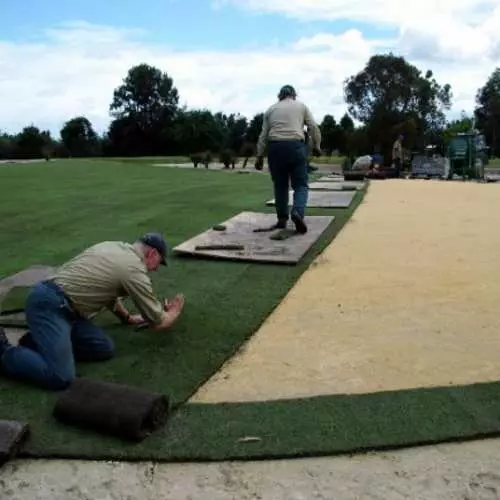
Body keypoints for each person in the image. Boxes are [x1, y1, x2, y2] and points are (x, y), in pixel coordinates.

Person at [0, 232, 185, 391]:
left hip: (67, 309)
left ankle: (35, 341)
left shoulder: (112, 246)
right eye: (157, 264)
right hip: (49, 306)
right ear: (152, 253)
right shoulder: (133, 269)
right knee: (60, 377)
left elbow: (108, 292)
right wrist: (174, 312)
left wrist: (126, 317)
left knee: (103, 348)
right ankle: (4, 351)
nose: (154, 270)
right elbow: (159, 322)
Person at [255, 85, 322, 234]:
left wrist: (259, 156)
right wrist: (317, 146)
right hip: (295, 147)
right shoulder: (301, 106)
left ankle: (282, 220)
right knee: (301, 185)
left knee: (280, 186)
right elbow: (314, 128)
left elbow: (263, 136)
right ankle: (297, 212)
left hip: (275, 148)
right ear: (294, 95)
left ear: (280, 96)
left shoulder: (271, 109)